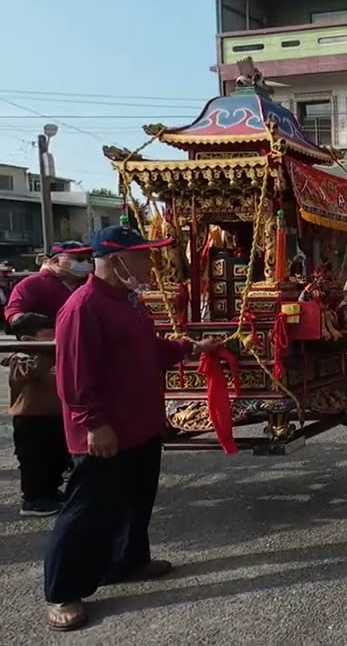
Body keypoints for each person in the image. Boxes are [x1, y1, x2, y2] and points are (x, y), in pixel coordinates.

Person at [44, 225, 221, 631]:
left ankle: (129, 560)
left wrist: (190, 348)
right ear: (116, 260)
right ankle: (63, 591)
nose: (149, 263)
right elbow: (73, 378)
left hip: (140, 423)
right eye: (142, 255)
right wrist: (94, 424)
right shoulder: (82, 306)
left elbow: (148, 348)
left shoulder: (128, 301)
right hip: (105, 431)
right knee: (87, 511)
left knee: (136, 500)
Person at [6, 313, 67, 517]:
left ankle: (50, 491)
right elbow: (29, 373)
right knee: (35, 462)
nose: (53, 338)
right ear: (28, 339)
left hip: (54, 416)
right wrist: (45, 353)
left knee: (55, 457)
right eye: (48, 335)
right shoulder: (20, 358)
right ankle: (33, 499)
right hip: (31, 418)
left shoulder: (55, 355)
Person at [5, 241, 93, 329]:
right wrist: (31, 323)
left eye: (88, 259)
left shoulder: (91, 283)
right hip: (47, 339)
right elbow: (14, 312)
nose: (85, 263)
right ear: (55, 261)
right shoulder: (32, 284)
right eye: (79, 259)